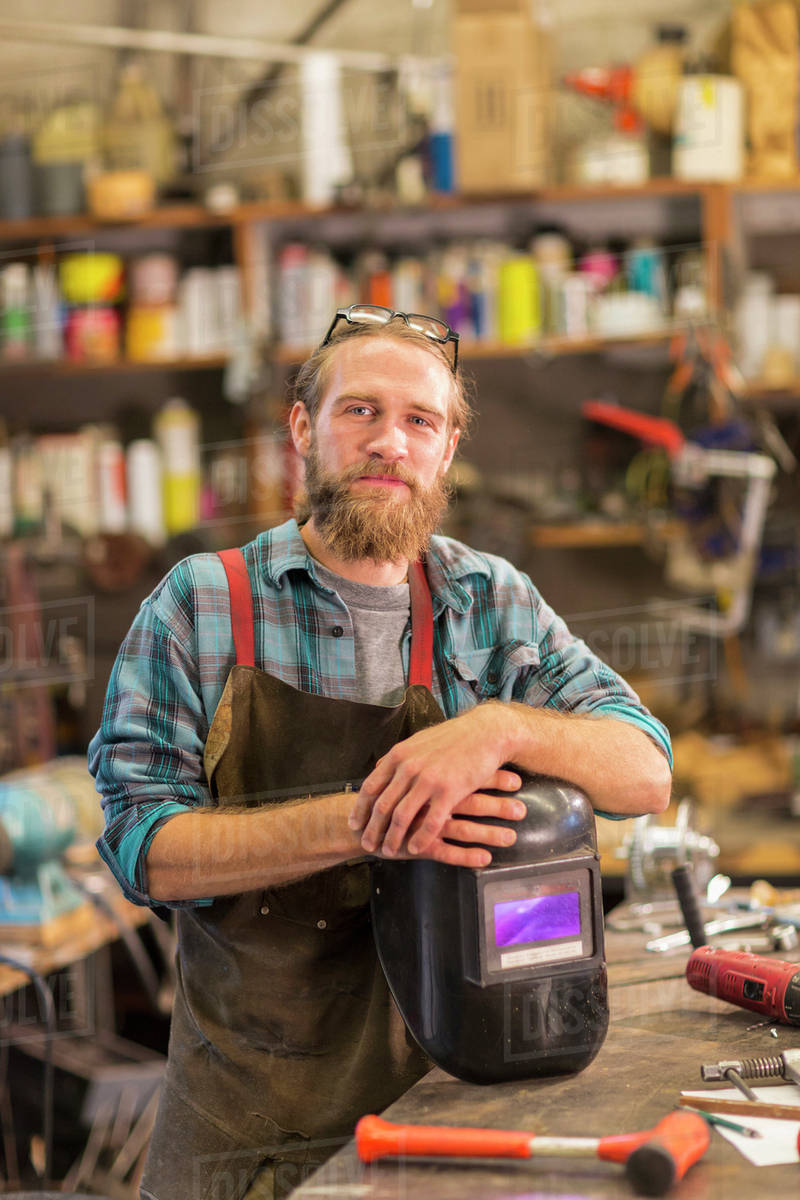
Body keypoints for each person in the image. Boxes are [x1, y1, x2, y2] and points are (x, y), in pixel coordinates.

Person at [89, 305, 672, 1200]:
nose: (388, 443)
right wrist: (375, 820)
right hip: (250, 1135)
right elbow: (144, 850)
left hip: (458, 1112)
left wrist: (500, 727)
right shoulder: (199, 604)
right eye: (359, 411)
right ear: (304, 430)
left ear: (446, 450)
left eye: (419, 421)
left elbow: (646, 771)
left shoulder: (491, 601)